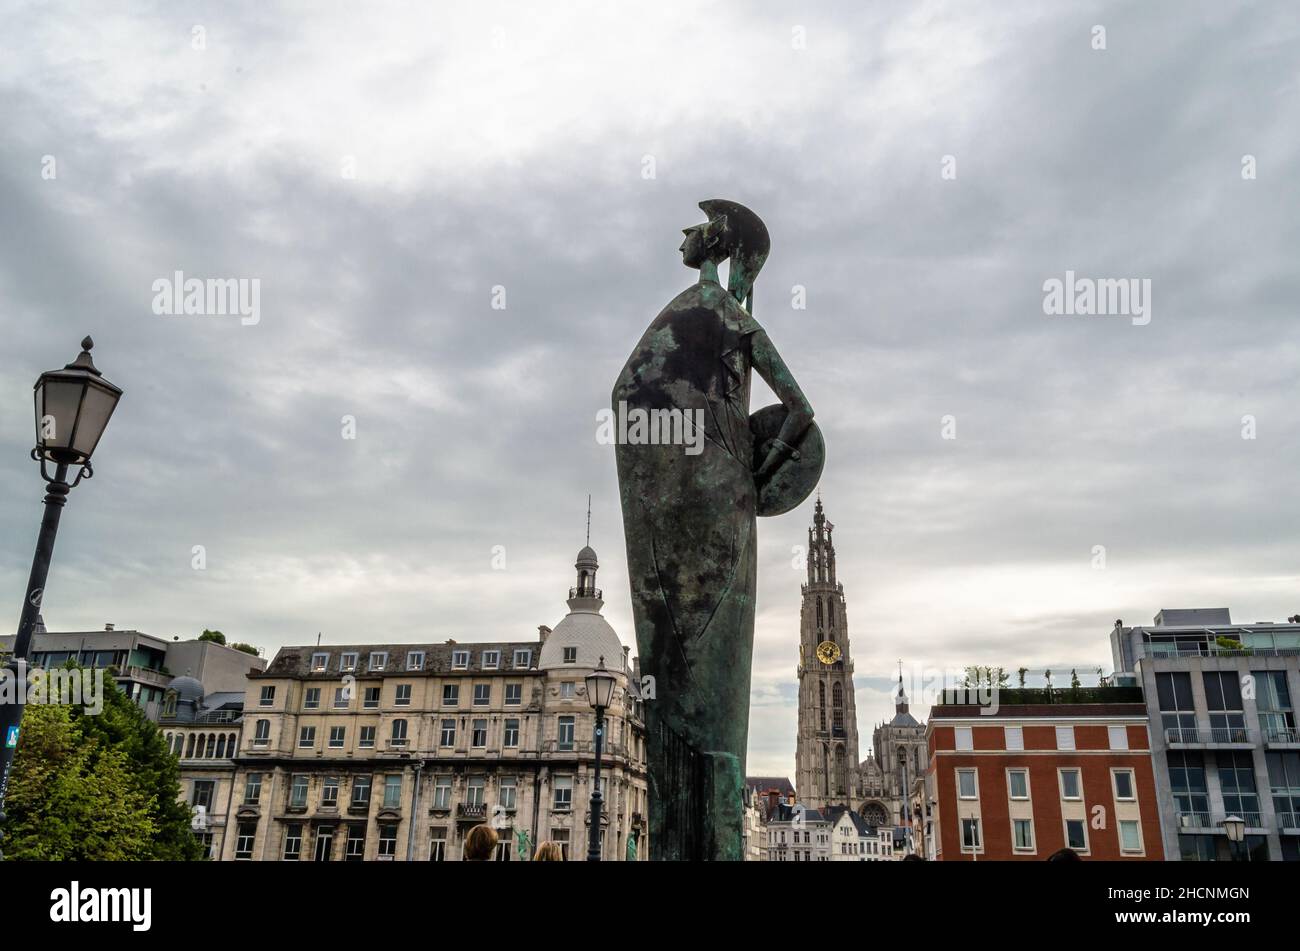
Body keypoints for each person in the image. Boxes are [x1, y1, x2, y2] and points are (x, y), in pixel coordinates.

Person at [613, 199, 816, 859]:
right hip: (703, 504)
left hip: (707, 505)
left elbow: (797, 409)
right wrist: (753, 461)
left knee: (697, 674)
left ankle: (698, 834)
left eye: (694, 232)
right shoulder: (724, 312)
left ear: (711, 243)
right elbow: (789, 408)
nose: (684, 240)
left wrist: (754, 466)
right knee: (692, 676)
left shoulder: (708, 312)